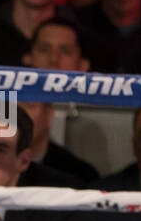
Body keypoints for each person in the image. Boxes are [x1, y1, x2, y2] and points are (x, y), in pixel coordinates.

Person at [17, 18, 99, 184]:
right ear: (26, 58)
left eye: (65, 51)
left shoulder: (81, 176)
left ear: (83, 66)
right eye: (44, 49)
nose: (53, 59)